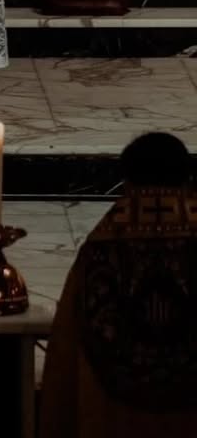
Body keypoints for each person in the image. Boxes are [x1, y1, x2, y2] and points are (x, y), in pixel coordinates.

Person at [40, 132, 197, 438]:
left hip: (114, 419)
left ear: (127, 183)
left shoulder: (102, 244)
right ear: (187, 180)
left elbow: (68, 344)